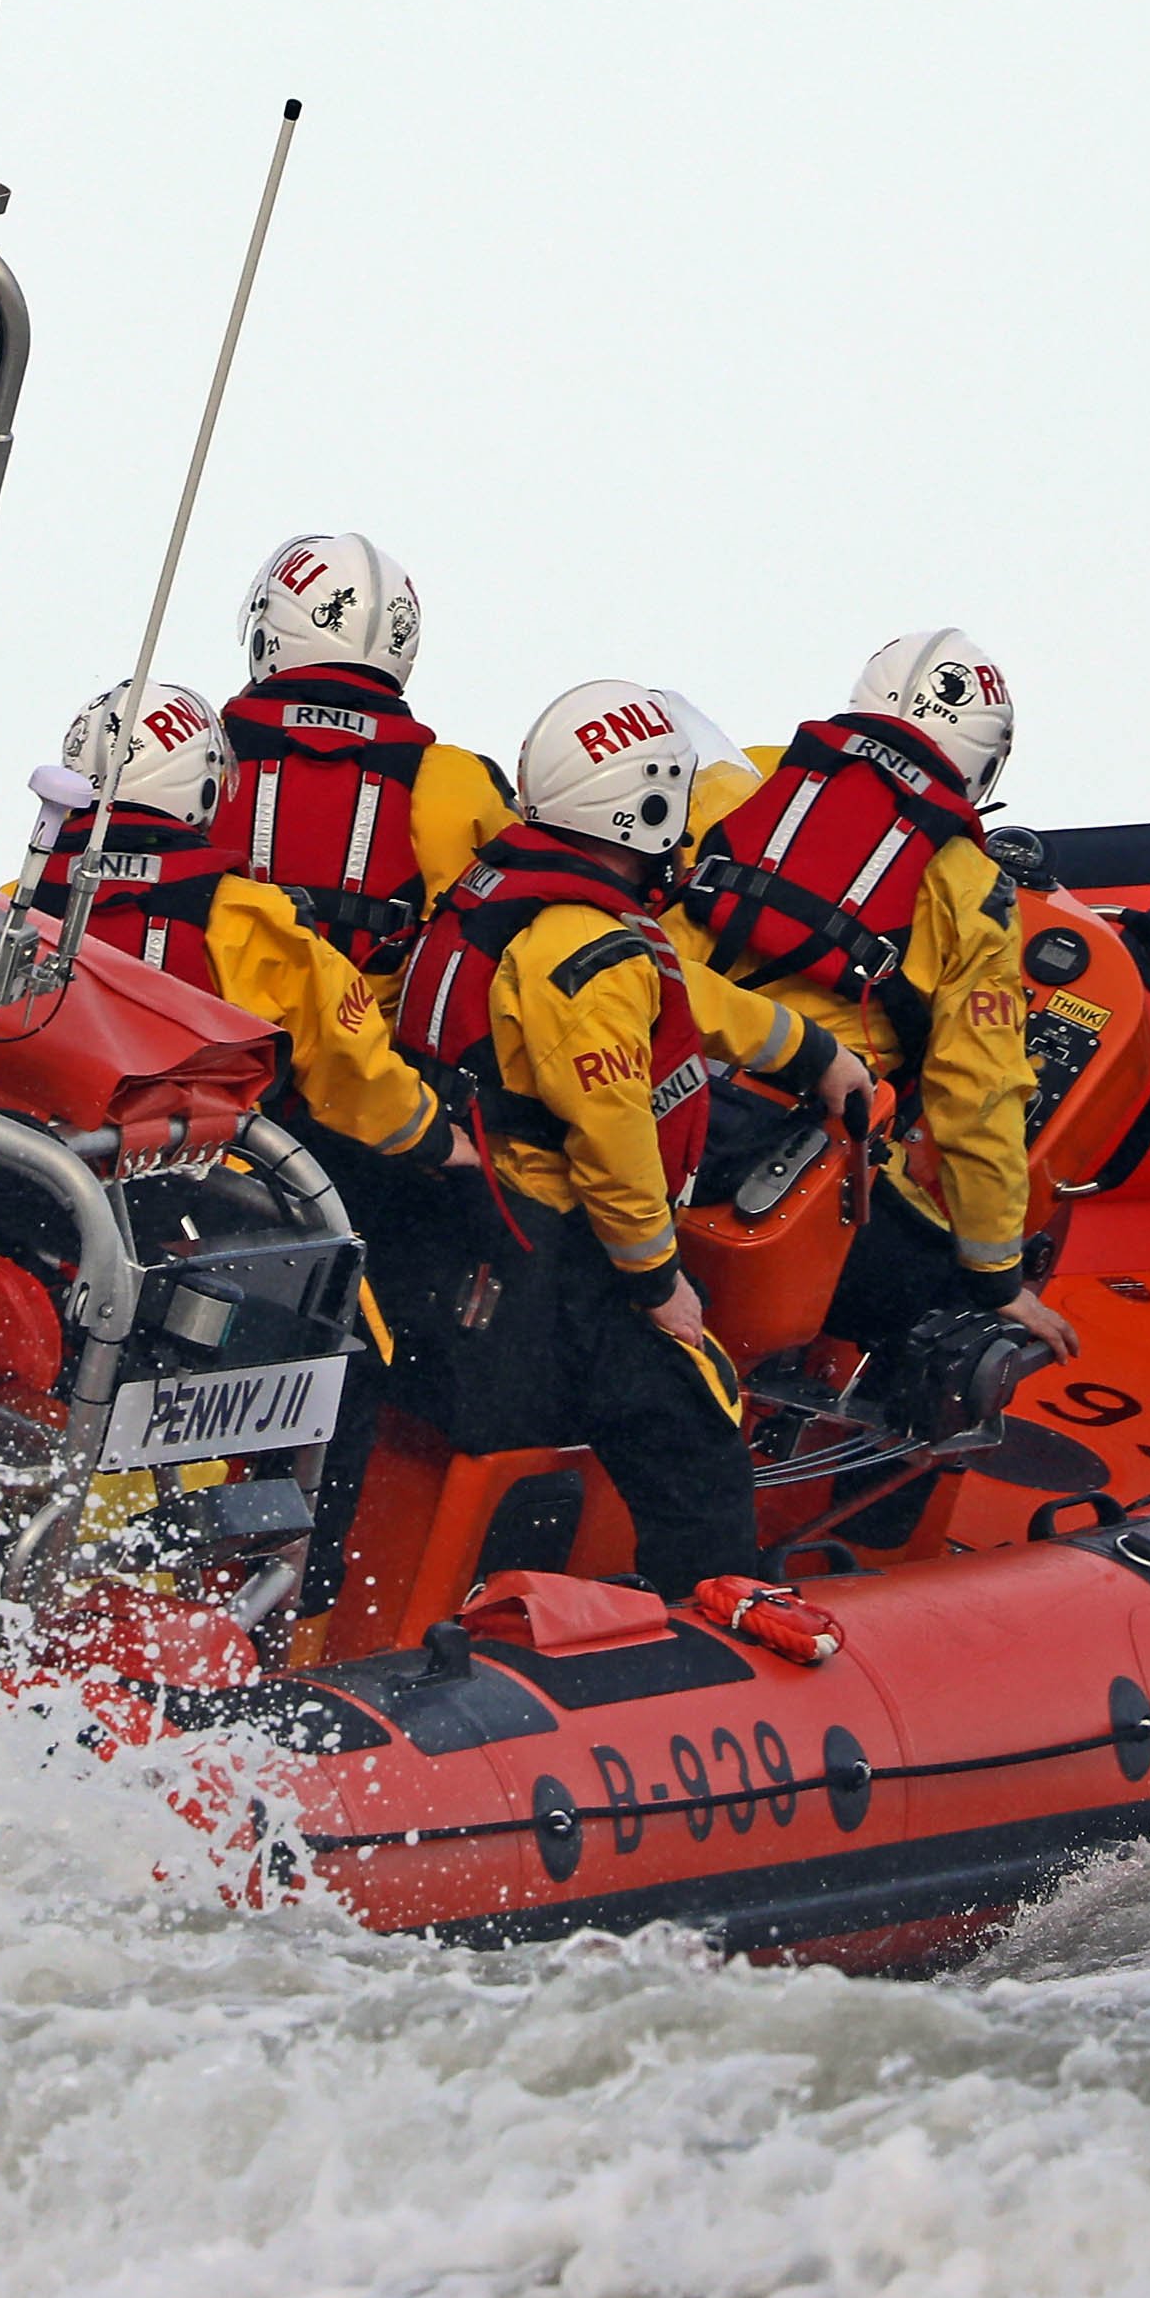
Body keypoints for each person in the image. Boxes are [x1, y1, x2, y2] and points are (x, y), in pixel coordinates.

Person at [392, 680, 852, 1662]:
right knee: (689, 1405)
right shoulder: (590, 954)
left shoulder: (522, 905)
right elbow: (612, 1141)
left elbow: (692, 997)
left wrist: (813, 1056)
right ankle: (719, 1615)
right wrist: (657, 1282)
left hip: (458, 1228)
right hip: (549, 1257)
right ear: (641, 808)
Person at [40, 678, 482, 1613]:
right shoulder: (252, 919)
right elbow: (358, 1072)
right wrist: (442, 1144)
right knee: (352, 1349)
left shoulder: (17, 900)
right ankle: (296, 1601)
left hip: (30, 1193)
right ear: (206, 790)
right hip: (191, 1222)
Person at [672, 629, 1085, 1387]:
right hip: (760, 1154)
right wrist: (994, 1273)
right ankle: (844, 1491)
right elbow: (980, 1092)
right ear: (981, 767)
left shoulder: (745, 782)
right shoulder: (971, 887)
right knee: (957, 1320)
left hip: (640, 1090)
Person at [214, 534, 521, 986]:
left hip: (208, 1043)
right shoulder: (461, 781)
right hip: (382, 1047)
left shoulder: (199, 756)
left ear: (270, 632)